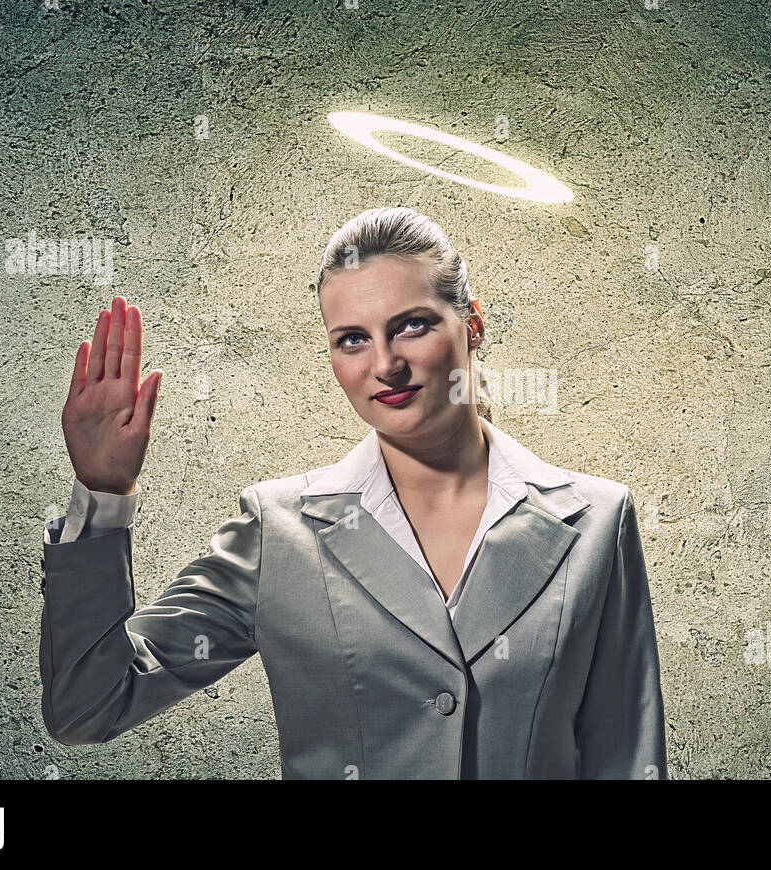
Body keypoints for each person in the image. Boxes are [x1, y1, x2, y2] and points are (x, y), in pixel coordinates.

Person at [40, 206, 668, 779]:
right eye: (353, 339)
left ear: (472, 327)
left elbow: (626, 758)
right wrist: (102, 495)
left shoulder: (597, 522)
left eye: (413, 325)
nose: (386, 364)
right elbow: (87, 706)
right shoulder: (276, 532)